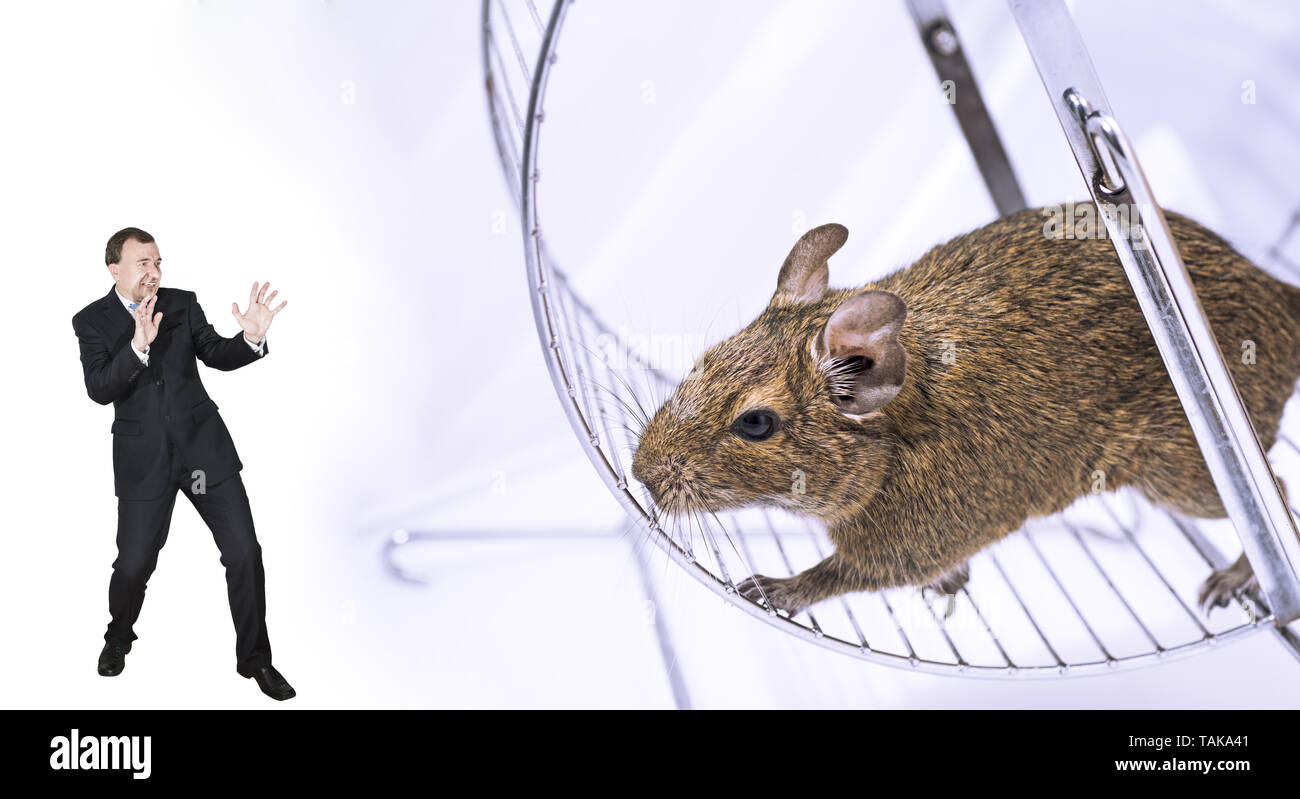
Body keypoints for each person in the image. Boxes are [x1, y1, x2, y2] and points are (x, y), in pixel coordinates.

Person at [71, 227, 295, 700]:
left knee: (244, 554)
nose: (153, 272)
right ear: (114, 268)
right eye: (142, 264)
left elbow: (214, 353)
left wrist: (249, 339)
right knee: (133, 565)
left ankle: (256, 660)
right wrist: (137, 348)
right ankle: (118, 639)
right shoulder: (90, 321)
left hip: (202, 456)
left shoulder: (182, 302)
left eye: (157, 263)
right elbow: (98, 388)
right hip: (144, 463)